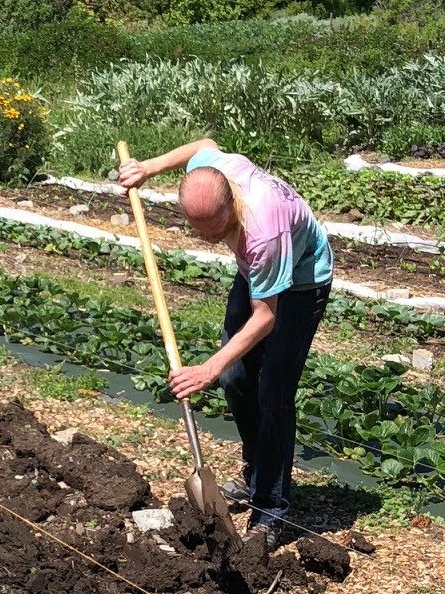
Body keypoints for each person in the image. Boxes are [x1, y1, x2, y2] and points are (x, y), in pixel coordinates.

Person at [117, 138, 332, 544]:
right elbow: (204, 143)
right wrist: (148, 167)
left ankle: (270, 510)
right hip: (257, 274)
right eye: (201, 233)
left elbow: (266, 316)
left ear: (231, 205)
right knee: (236, 379)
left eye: (216, 231)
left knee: (274, 393)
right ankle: (254, 474)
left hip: (303, 283)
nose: (210, 240)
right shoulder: (216, 172)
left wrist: (207, 369)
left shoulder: (264, 233)